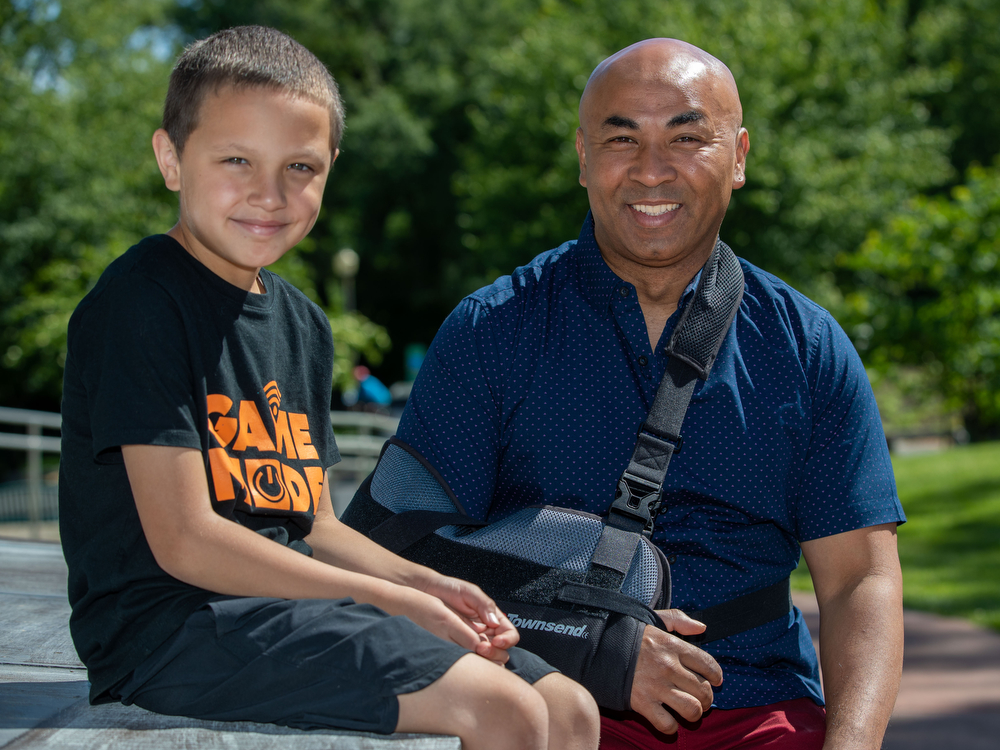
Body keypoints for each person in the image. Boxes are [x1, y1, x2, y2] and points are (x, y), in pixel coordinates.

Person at [57, 26, 599, 750]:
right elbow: (186, 541)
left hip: (284, 610)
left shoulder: (303, 325)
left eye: (301, 167)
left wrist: (426, 584)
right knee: (506, 711)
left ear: (331, 169)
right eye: (237, 159)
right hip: (171, 628)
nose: (269, 193)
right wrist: (391, 601)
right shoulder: (142, 301)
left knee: (569, 710)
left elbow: (313, 522)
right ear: (171, 159)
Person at [395, 38, 905, 750]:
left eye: (688, 136)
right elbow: (398, 556)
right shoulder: (492, 330)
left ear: (739, 156)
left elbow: (859, 581)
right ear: (582, 157)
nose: (652, 168)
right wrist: (593, 649)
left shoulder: (807, 347)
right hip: (551, 706)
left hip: (762, 709)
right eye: (620, 137)